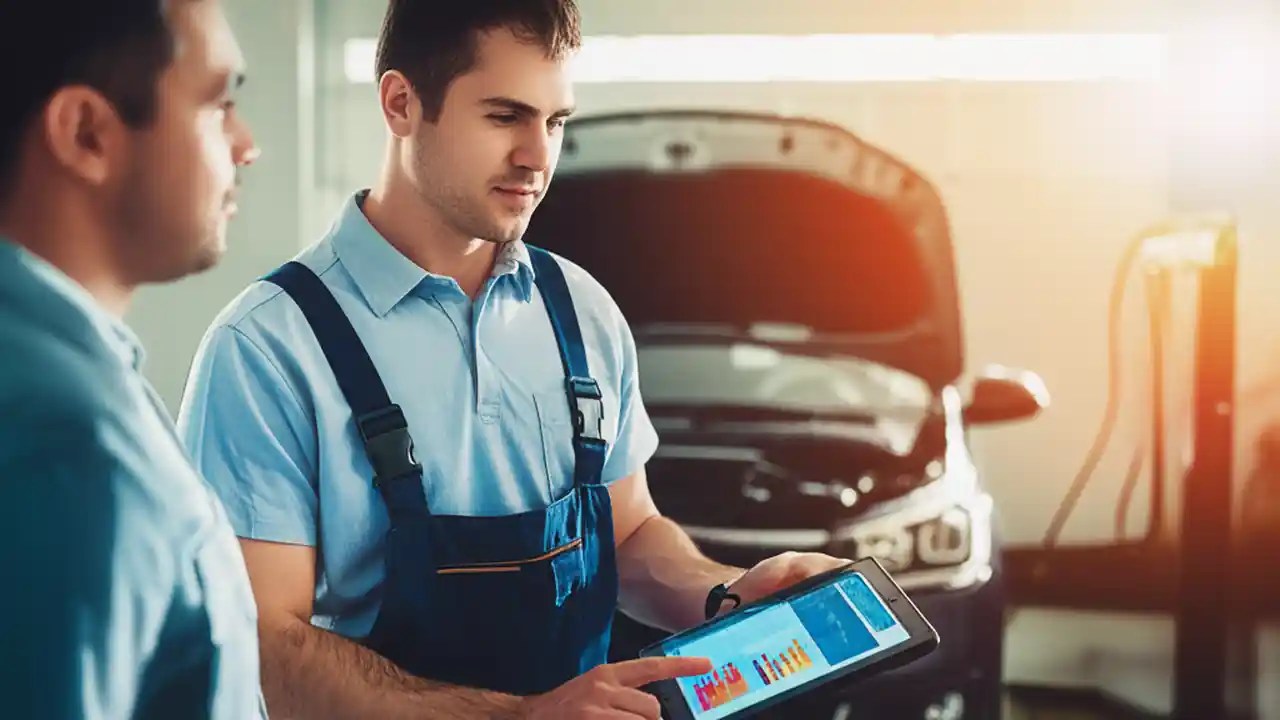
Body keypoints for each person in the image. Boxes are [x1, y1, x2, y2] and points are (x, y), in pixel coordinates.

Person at [178, 1, 850, 717]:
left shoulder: (582, 312)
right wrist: (520, 718)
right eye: (505, 117)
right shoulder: (267, 350)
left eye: (555, 121)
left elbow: (628, 534)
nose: (538, 155)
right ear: (401, 103)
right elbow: (264, 648)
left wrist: (728, 594)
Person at [0, 1, 263, 717]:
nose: (246, 145)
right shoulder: (71, 441)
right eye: (218, 104)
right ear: (87, 133)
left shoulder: (77, 381)